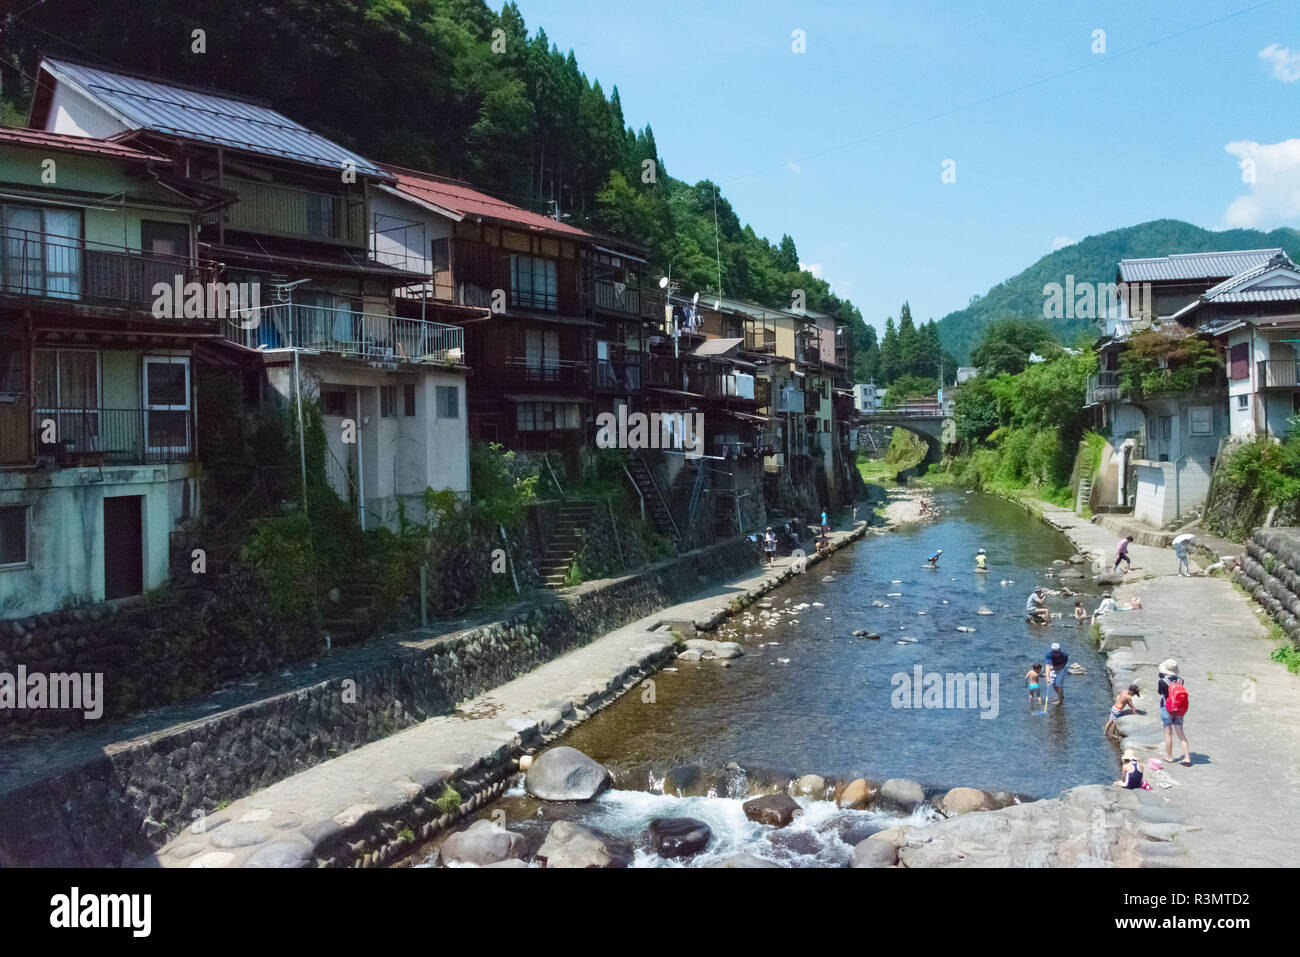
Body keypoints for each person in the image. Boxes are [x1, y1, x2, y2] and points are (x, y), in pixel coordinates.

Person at [1157, 658, 1191, 767]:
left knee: (1168, 733)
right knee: (1180, 733)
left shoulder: (1162, 681)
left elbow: (1160, 692)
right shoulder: (1181, 680)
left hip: (1166, 708)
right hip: (1179, 708)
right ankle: (1187, 757)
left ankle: (1170, 757)